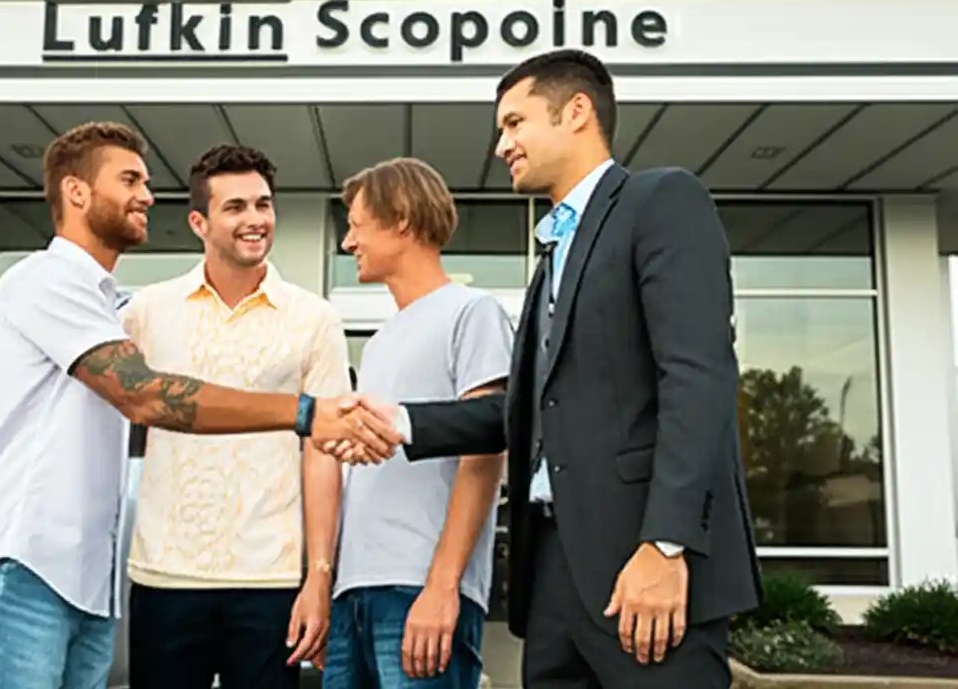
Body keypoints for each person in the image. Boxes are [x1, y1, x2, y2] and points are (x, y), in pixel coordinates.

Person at [336, 49, 762, 687]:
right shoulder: (553, 256)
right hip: (554, 582)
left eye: (514, 123)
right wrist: (401, 421)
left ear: (577, 113)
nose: (501, 143)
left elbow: (697, 381)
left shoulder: (662, 201)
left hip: (641, 567)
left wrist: (667, 545)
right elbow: (525, 414)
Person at [0, 122, 391, 689]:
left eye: (264, 204)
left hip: (90, 581)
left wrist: (318, 572)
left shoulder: (106, 304)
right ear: (77, 192)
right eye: (130, 179)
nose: (147, 196)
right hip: (26, 565)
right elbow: (146, 397)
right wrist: (304, 413)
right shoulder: (49, 283)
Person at [120, 144, 348, 689]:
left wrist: (319, 577)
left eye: (263, 205)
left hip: (269, 577)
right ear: (199, 221)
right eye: (236, 207)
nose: (255, 220)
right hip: (165, 575)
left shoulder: (313, 319)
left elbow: (322, 450)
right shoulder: (147, 312)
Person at [321, 157, 511, 689]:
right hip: (354, 596)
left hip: (419, 592)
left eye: (356, 225)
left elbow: (486, 449)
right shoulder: (379, 344)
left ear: (401, 218)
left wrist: (443, 585)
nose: (347, 243)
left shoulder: (472, 312)